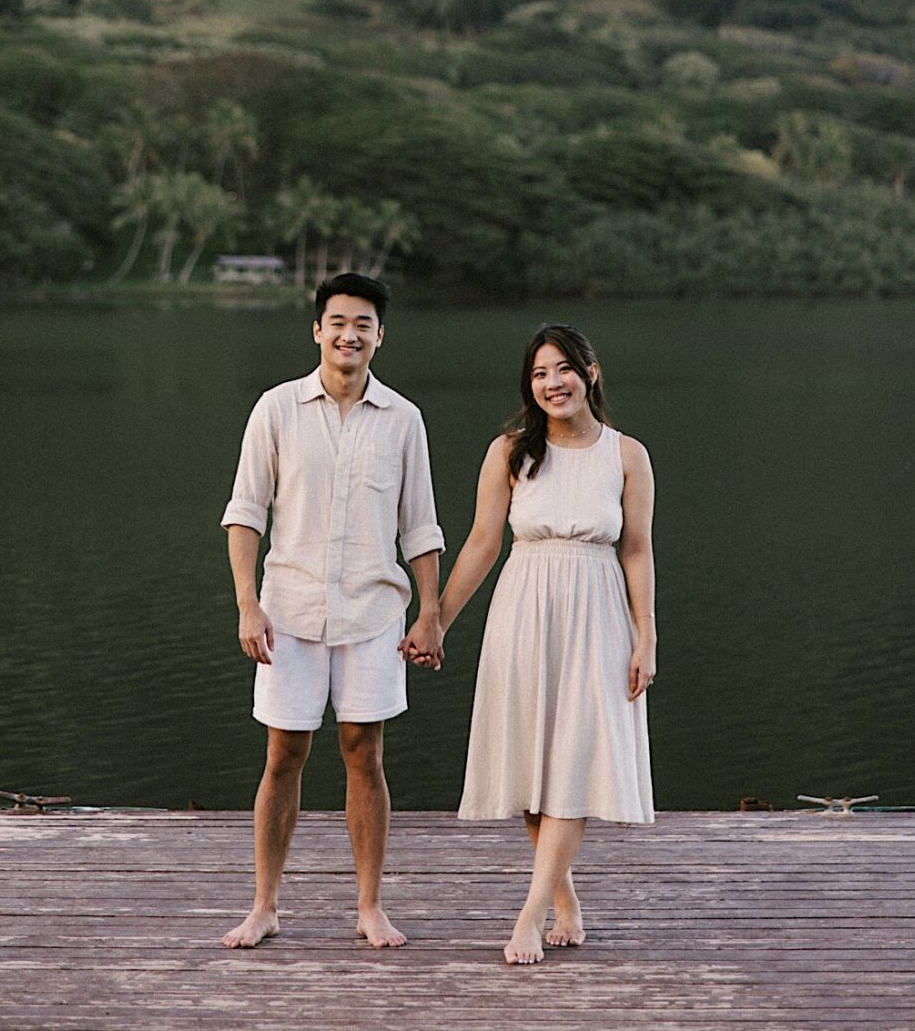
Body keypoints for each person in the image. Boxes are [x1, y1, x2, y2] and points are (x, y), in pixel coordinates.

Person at [411, 322, 655, 965]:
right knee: (530, 762)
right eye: (540, 373)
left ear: (590, 373)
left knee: (574, 758)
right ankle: (564, 898)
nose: (553, 383)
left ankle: (530, 913)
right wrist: (436, 620)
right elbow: (482, 542)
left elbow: (636, 549)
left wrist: (647, 636)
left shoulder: (627, 455)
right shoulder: (510, 452)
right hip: (524, 606)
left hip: (598, 611)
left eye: (564, 369)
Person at [220, 271, 445, 949]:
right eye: (338, 322)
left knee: (363, 752)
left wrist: (429, 612)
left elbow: (420, 526)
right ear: (317, 330)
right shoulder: (277, 409)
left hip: (373, 611)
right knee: (283, 753)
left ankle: (370, 907)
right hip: (287, 610)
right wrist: (247, 604)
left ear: (380, 336)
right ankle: (264, 906)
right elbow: (245, 512)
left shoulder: (403, 419)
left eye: (363, 325)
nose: (350, 335)